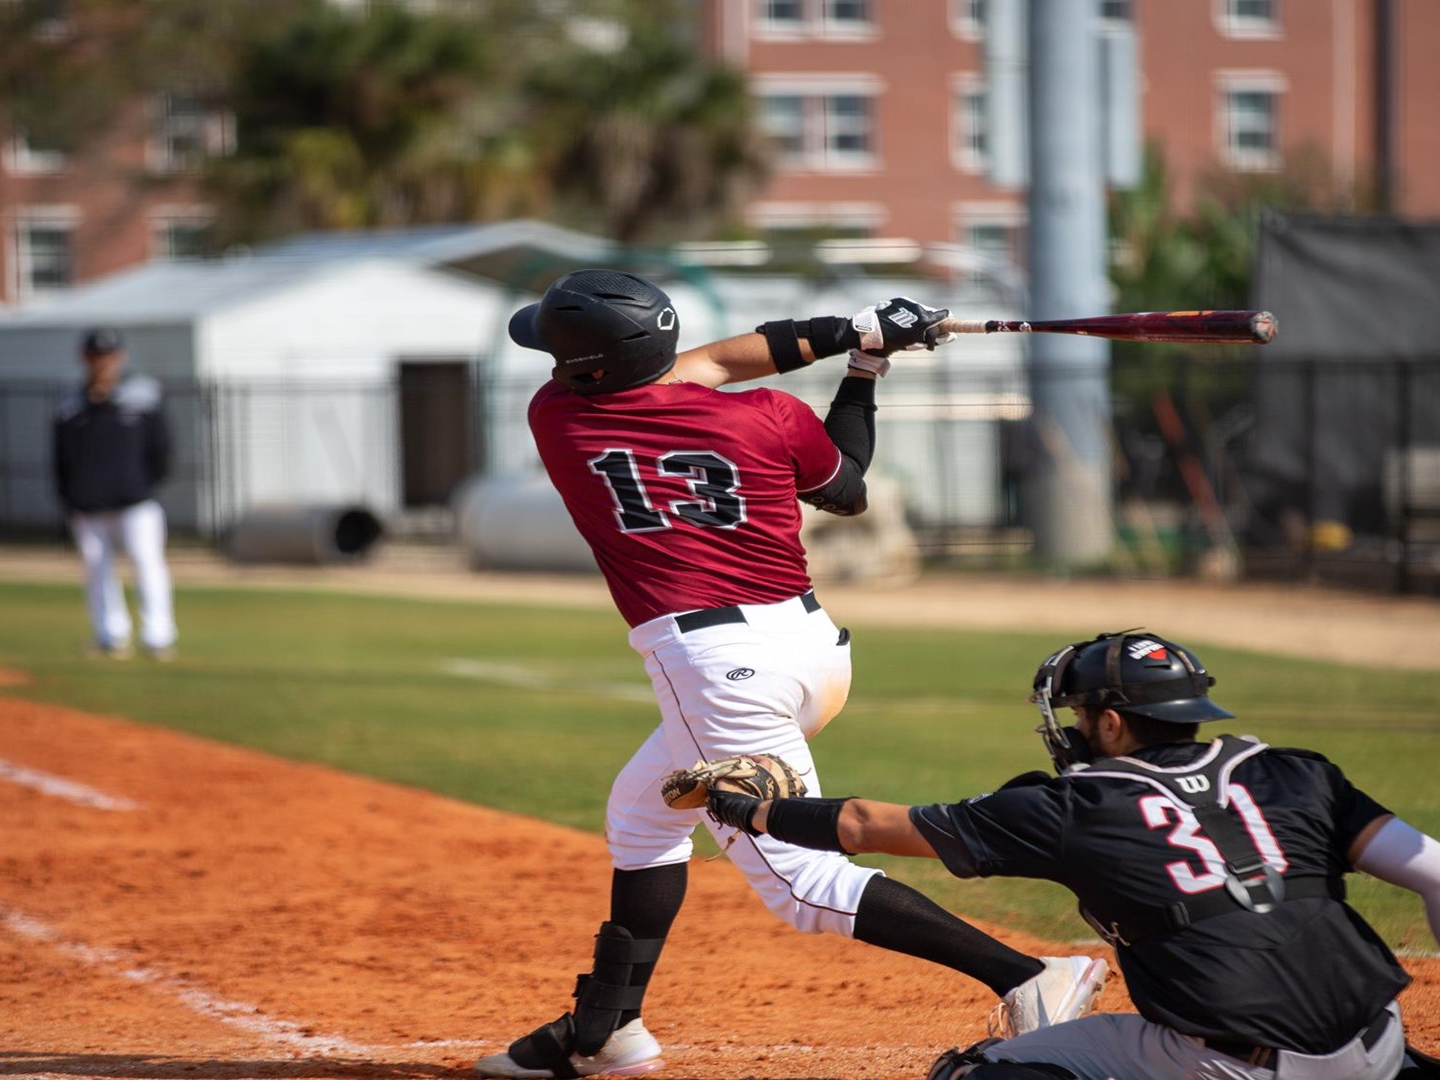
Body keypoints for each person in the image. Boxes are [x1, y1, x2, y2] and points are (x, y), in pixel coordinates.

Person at [474, 270, 1108, 1079]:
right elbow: (845, 487)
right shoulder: (769, 416)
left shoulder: (559, 415)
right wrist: (862, 359)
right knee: (641, 817)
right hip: (809, 649)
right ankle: (606, 1031)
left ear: (591, 367)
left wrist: (856, 334)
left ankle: (1029, 976)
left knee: (800, 880)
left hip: (715, 670)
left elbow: (707, 364)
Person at [697, 630, 1440, 1080]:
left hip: (1224, 1067)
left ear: (1114, 724)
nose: (1073, 730)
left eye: (1082, 716)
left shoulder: (1071, 805)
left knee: (980, 1076)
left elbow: (867, 827)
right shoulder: (1292, 771)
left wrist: (749, 809)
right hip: (1374, 1047)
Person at [51, 327, 177, 661]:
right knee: (96, 569)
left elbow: (161, 450)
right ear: (85, 358)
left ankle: (158, 637)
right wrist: (69, 496)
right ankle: (111, 636)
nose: (103, 363)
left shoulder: (143, 394)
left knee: (147, 565)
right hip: (87, 504)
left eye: (108, 355)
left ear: (120, 357)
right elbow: (61, 457)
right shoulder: (70, 403)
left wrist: (142, 484)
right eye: (96, 355)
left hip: (135, 501)